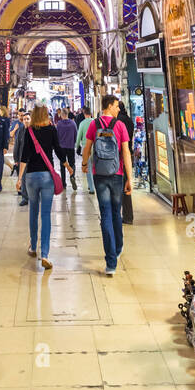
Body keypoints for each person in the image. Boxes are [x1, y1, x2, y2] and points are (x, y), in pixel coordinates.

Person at [81, 94, 133, 276]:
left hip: (100, 174)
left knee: (105, 215)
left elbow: (87, 147)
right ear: (109, 106)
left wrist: (85, 164)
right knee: (115, 213)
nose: (119, 109)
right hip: (117, 174)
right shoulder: (119, 126)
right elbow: (126, 152)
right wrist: (129, 178)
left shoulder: (94, 125)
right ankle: (118, 247)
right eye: (117, 106)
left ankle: (111, 262)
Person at [17, 104, 62, 270]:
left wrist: (19, 178)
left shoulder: (29, 131)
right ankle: (45, 254)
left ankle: (33, 246)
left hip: (31, 177)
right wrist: (67, 164)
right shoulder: (51, 130)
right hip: (46, 177)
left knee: (33, 212)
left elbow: (24, 156)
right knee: (46, 215)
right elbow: (58, 150)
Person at [117, 101, 135, 226]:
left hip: (120, 156)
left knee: (118, 186)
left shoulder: (118, 121)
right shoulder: (129, 120)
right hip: (129, 153)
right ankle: (128, 216)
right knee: (126, 186)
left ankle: (117, 215)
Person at [55, 109, 78, 190]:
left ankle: (63, 183)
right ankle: (72, 176)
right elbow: (76, 134)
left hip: (62, 147)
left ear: (61, 115)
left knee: (63, 165)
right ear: (67, 114)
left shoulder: (59, 124)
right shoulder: (73, 123)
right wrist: (74, 142)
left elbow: (56, 136)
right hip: (71, 146)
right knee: (72, 163)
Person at [75, 108, 95, 193]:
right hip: (95, 146)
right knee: (95, 167)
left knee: (88, 167)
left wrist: (77, 147)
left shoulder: (82, 123)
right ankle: (95, 185)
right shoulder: (95, 122)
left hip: (85, 147)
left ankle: (91, 188)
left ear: (84, 114)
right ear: (91, 113)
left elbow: (79, 136)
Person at [15, 113, 31, 204]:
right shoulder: (21, 131)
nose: (26, 121)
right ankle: (25, 198)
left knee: (33, 179)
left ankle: (35, 197)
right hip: (23, 159)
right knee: (23, 179)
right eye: (24, 119)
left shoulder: (35, 131)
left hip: (33, 160)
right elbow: (17, 145)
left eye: (28, 119)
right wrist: (16, 159)